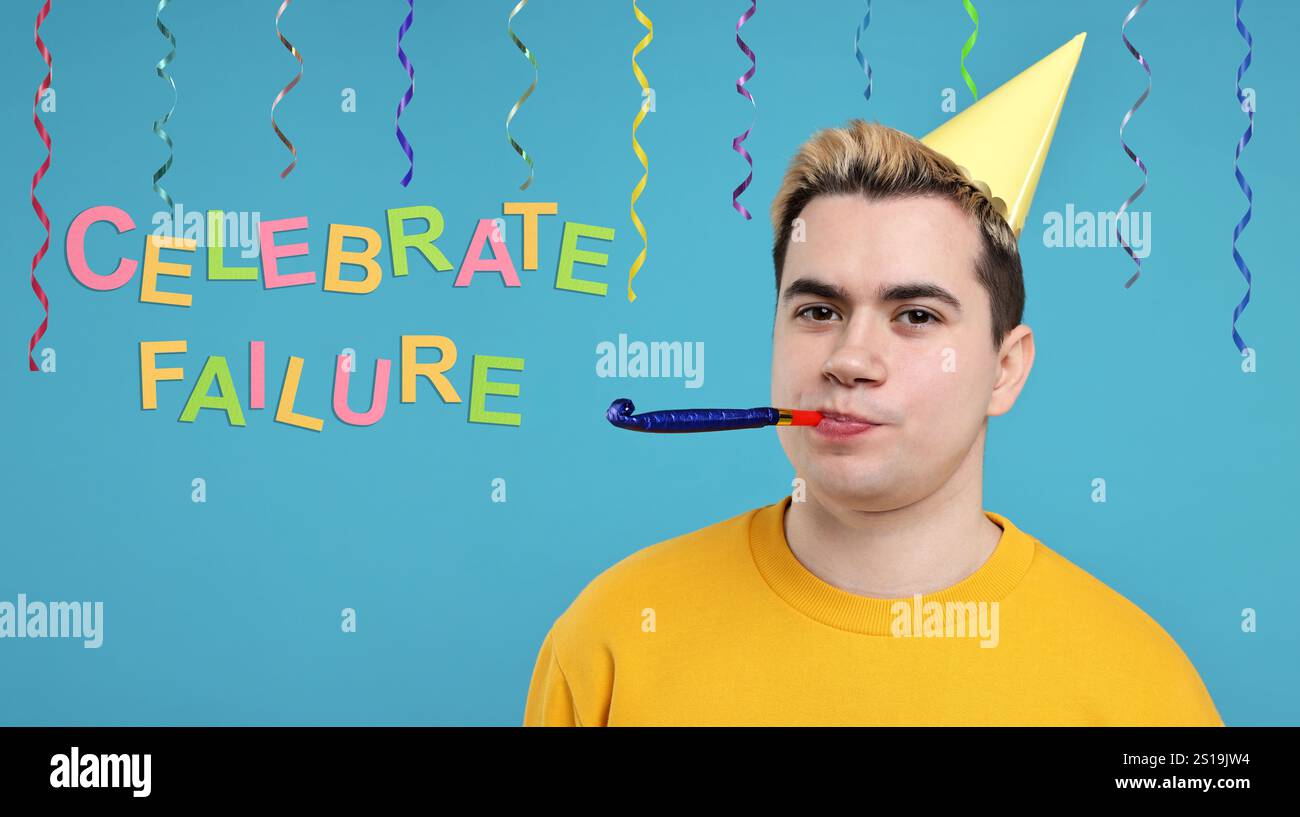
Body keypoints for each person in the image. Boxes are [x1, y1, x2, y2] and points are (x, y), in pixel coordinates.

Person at [524, 33, 1222, 726]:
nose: (850, 359)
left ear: (1005, 370)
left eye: (914, 314)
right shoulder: (610, 640)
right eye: (818, 310)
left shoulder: (1143, 688)